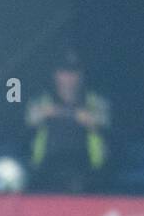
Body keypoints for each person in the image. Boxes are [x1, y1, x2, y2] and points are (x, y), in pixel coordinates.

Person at [25, 49, 110, 193]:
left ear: (81, 75)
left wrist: (66, 114)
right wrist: (70, 115)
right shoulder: (40, 101)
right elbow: (28, 123)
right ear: (55, 75)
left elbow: (104, 125)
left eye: (73, 72)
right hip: (45, 170)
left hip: (86, 171)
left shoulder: (97, 103)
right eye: (64, 72)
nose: (69, 78)